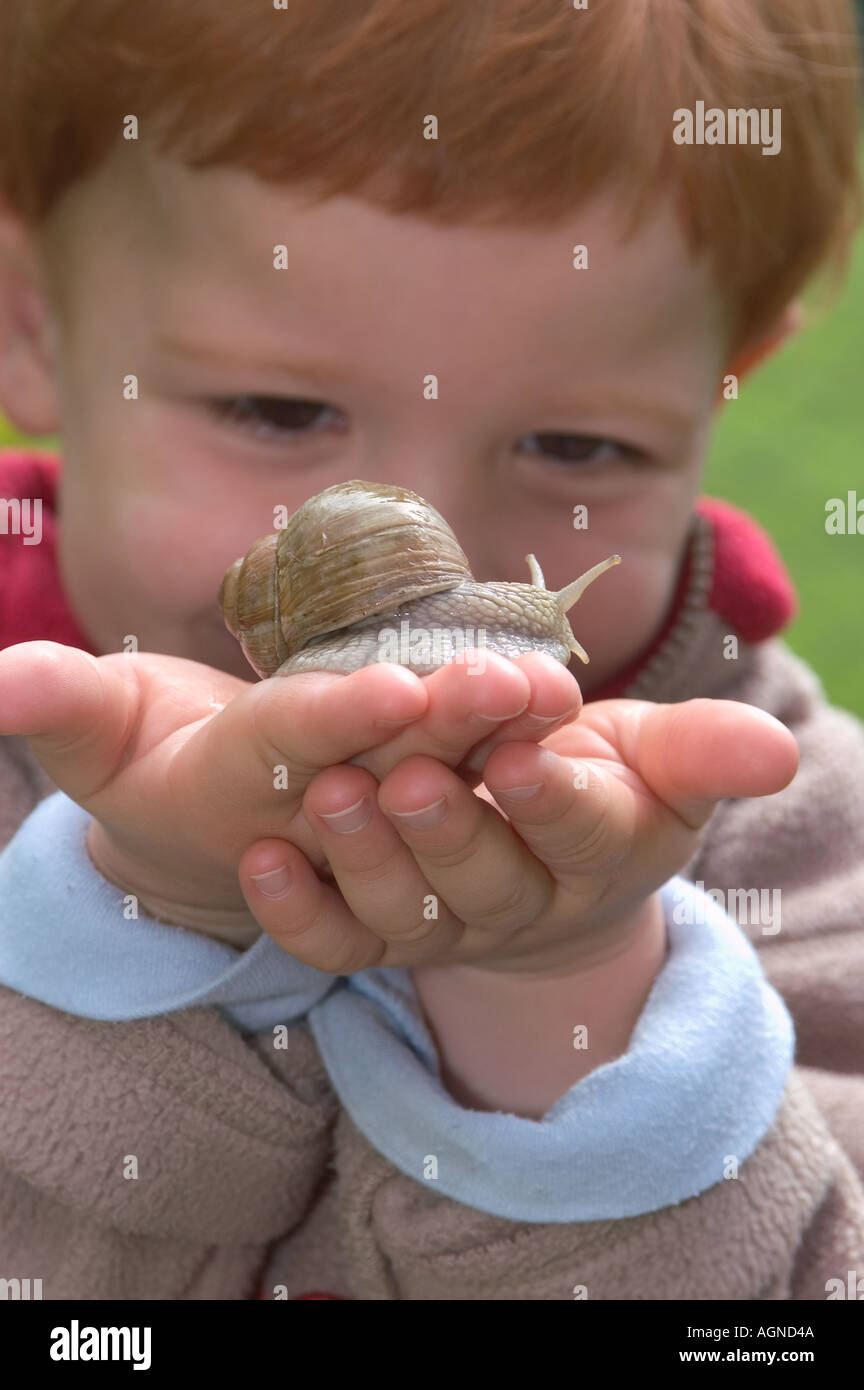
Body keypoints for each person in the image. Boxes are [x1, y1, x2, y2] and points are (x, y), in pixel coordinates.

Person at [0, 0, 861, 1300]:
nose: (452, 539)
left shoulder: (778, 821)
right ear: (30, 326)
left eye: (579, 448)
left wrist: (571, 988)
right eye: (276, 410)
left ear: (722, 382)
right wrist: (146, 916)